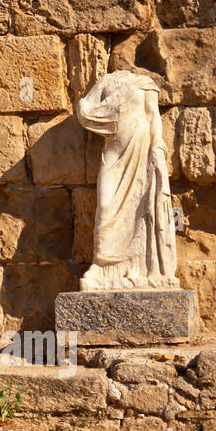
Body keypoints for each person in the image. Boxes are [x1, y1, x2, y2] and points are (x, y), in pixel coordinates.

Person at [76, 70, 178, 290]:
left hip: (141, 148)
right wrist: (106, 117)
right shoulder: (106, 82)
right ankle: (103, 264)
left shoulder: (145, 83)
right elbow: (84, 108)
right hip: (113, 151)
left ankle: (133, 265)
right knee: (105, 205)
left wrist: (158, 145)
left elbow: (153, 116)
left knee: (140, 209)